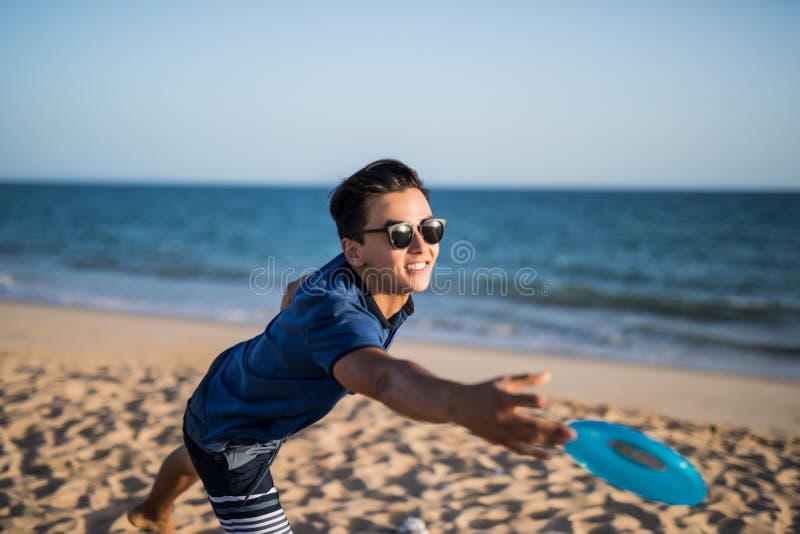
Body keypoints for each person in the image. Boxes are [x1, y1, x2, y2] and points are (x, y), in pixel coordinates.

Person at [128, 159, 575, 534]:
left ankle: (151, 512)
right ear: (354, 249)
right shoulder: (336, 312)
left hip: (228, 380)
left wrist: (287, 337)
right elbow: (384, 376)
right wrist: (460, 403)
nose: (422, 245)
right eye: (400, 234)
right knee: (206, 453)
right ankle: (154, 510)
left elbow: (295, 285)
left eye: (430, 228)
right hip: (238, 438)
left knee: (194, 452)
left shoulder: (358, 268)